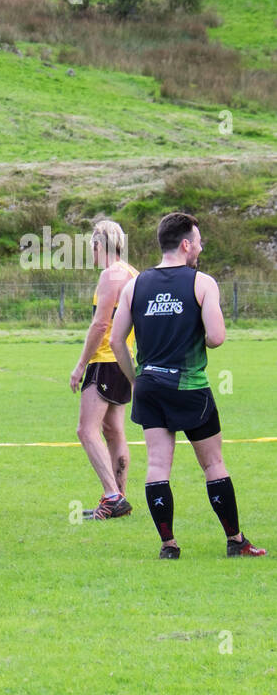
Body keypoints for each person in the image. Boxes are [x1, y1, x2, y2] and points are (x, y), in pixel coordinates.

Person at [110, 212, 265, 560]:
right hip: (189, 385)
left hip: (149, 384)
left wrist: (137, 379)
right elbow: (217, 337)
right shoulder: (202, 282)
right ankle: (236, 541)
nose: (200, 247)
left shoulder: (134, 285)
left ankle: (169, 546)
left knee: (157, 466)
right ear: (185, 244)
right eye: (197, 241)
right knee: (213, 465)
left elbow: (116, 340)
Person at [69, 220, 137, 521]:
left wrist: (81, 364)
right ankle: (118, 496)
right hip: (124, 359)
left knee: (86, 430)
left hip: (105, 359)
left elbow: (100, 324)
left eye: (92, 248)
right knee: (113, 431)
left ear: (99, 245)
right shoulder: (134, 273)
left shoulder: (111, 275)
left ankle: (112, 496)